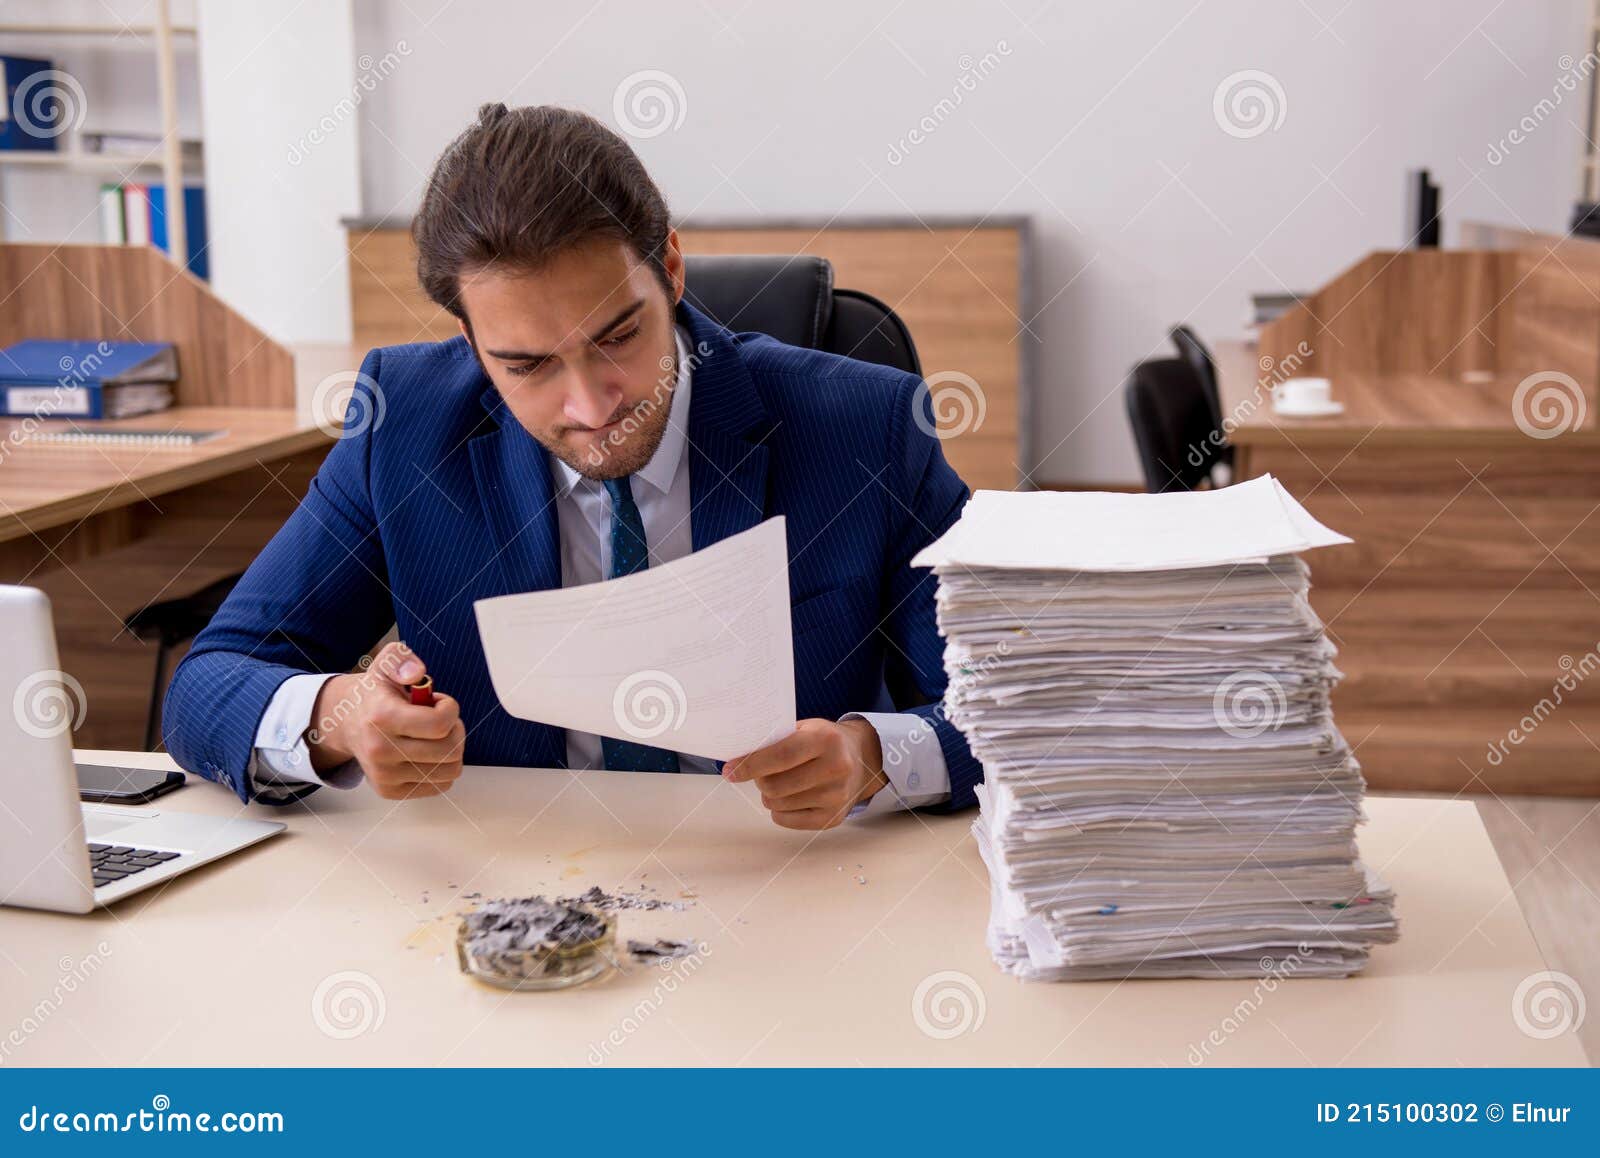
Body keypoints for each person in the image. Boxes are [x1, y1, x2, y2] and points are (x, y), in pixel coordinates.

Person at [162, 103, 981, 830]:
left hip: (791, 887)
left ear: (670, 268)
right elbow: (206, 685)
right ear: (469, 339)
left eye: (618, 337)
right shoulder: (403, 425)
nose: (590, 408)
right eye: (527, 367)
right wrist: (342, 717)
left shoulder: (866, 427)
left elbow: (1007, 708)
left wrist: (872, 754)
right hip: (513, 897)